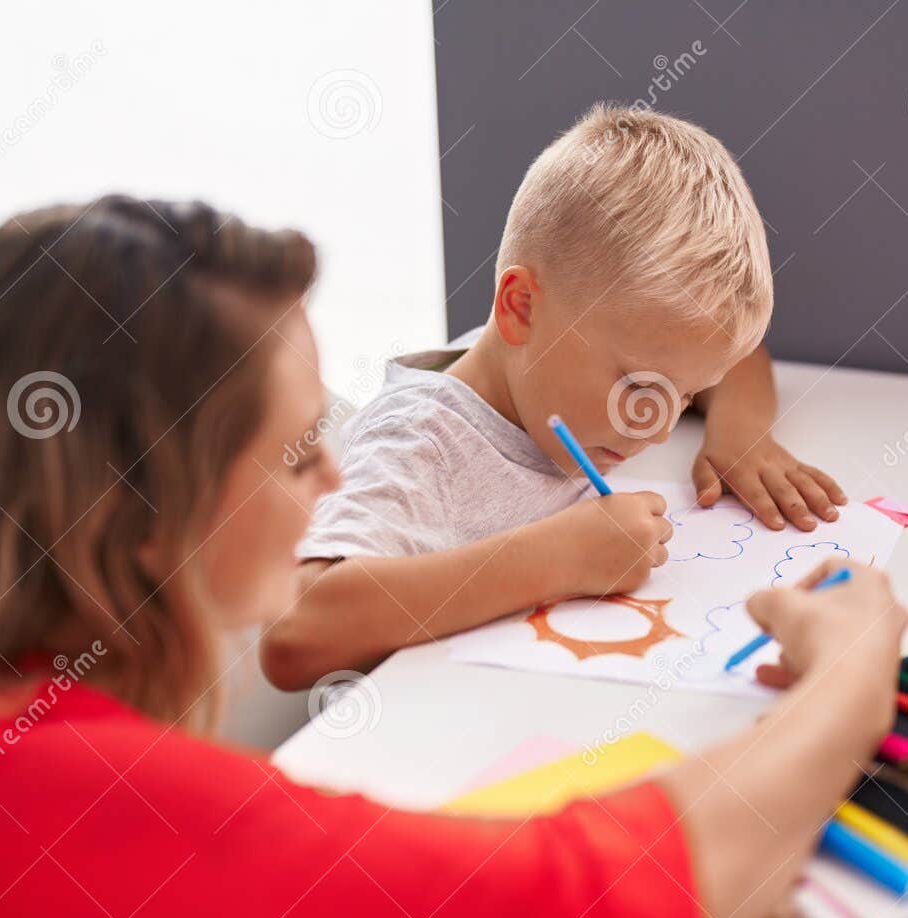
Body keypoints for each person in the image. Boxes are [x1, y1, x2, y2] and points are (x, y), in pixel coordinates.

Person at [0, 196, 905, 918]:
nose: (333, 476)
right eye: (289, 448)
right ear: (138, 508)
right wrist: (848, 675)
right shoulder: (34, 782)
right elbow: (589, 914)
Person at [261, 104, 848, 690]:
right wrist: (555, 560)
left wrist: (738, 437)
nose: (660, 428)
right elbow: (294, 633)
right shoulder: (422, 442)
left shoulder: (543, 359)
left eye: (687, 393)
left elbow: (736, 361)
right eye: (642, 388)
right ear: (521, 307)